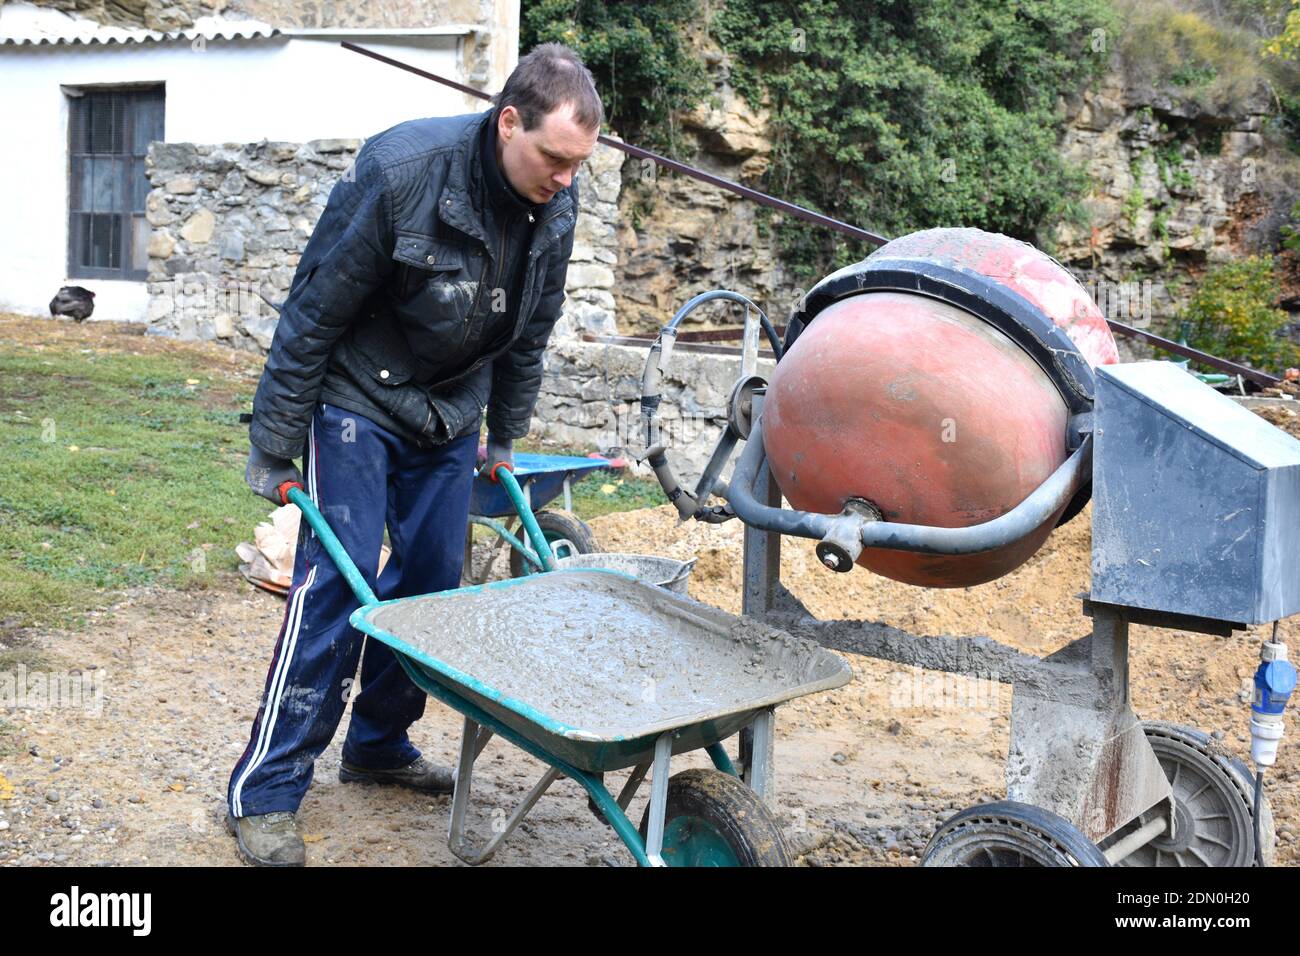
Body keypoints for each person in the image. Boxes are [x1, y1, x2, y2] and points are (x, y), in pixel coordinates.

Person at [226, 43, 603, 866]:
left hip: (450, 409)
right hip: (358, 397)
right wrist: (275, 444)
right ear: (509, 122)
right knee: (340, 579)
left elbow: (529, 336)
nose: (565, 178)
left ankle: (377, 744)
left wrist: (503, 437)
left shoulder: (556, 206)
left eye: (579, 164)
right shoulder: (401, 172)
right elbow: (314, 308)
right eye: (553, 158)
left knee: (434, 586)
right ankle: (266, 789)